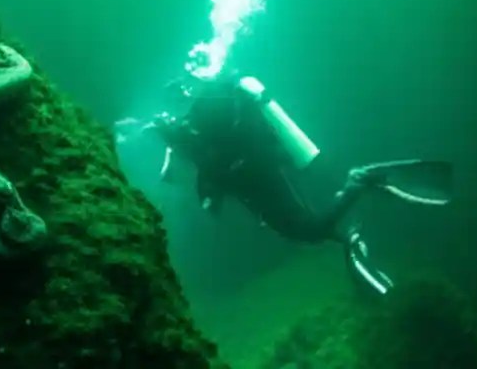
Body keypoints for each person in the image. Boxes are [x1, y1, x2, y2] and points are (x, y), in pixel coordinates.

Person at [119, 72, 453, 296]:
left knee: (309, 230)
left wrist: (207, 191)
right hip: (260, 176)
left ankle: (357, 183)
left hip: (259, 177)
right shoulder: (203, 117)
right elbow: (202, 171)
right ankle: (348, 234)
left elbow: (194, 172)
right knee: (306, 228)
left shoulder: (189, 127)